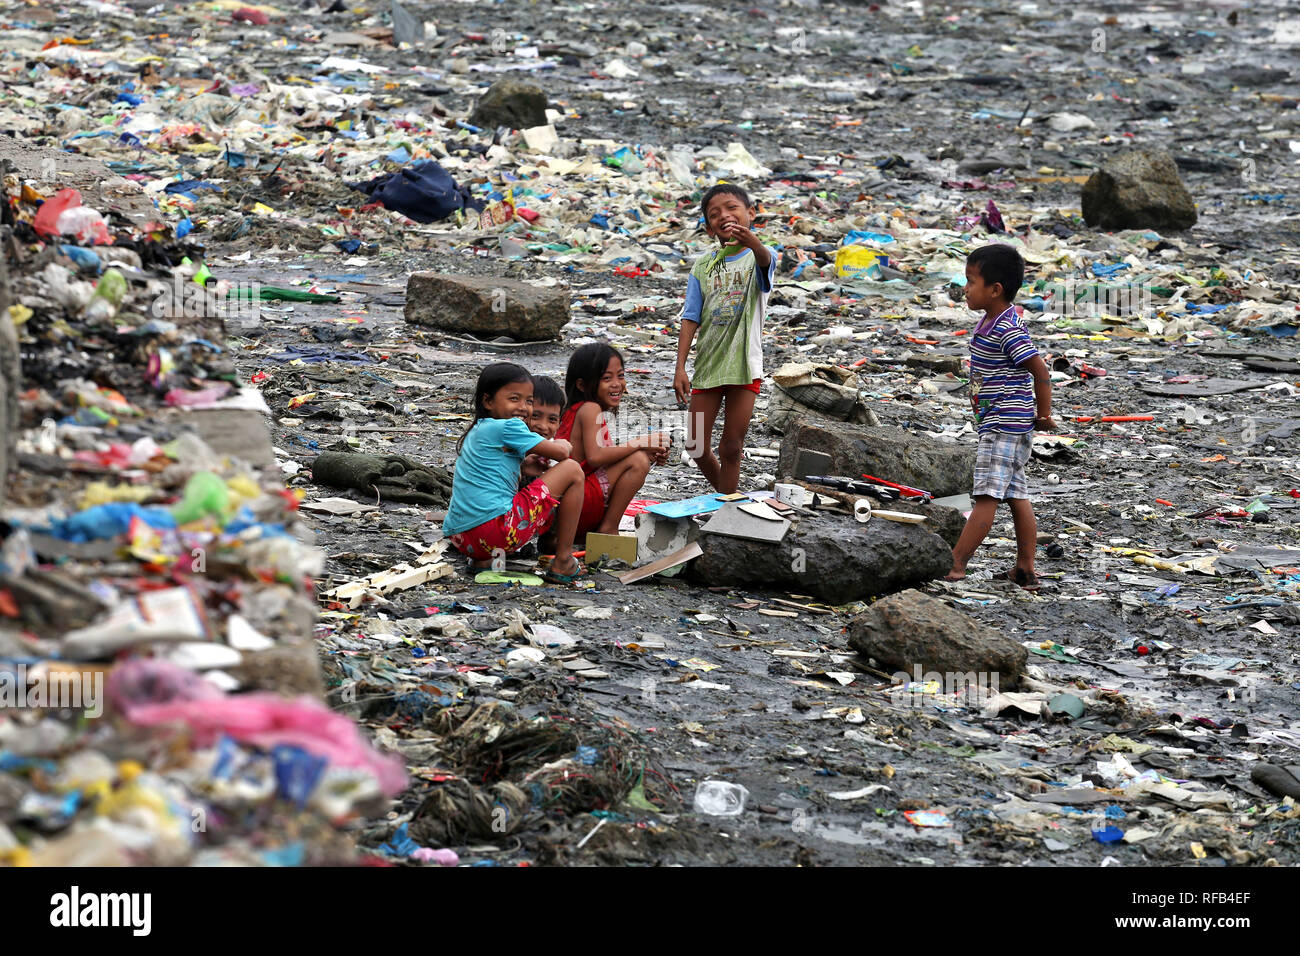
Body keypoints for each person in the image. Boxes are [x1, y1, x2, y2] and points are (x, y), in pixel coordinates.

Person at [945, 244, 1057, 590]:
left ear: (995, 289)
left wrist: (1045, 413)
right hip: (1005, 421)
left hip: (1004, 423)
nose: (965, 288)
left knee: (987, 496)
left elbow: (1040, 369)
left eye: (971, 281)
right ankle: (1025, 568)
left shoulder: (1007, 328)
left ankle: (956, 563)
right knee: (1016, 495)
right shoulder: (990, 321)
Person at [442, 363, 588, 584]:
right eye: (514, 399)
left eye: (528, 401)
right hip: (494, 532)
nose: (523, 407)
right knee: (573, 470)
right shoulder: (509, 426)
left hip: (463, 538)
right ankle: (564, 561)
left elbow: (496, 472)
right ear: (488, 401)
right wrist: (564, 444)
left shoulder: (479, 429)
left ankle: (483, 561)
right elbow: (561, 453)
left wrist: (525, 465)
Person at [673, 183, 776, 494]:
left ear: (751, 214)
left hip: (744, 363)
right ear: (708, 227)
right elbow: (691, 316)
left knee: (731, 446)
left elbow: (763, 260)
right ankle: (729, 498)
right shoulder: (703, 265)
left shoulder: (761, 255)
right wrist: (680, 367)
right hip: (709, 363)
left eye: (732, 208)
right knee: (694, 444)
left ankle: (727, 511)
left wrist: (752, 241)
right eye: (715, 214)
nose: (725, 216)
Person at [557, 343, 668, 540]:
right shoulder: (590, 409)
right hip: (577, 501)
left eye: (621, 375)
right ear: (582, 385)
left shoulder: (577, 408)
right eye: (607, 378)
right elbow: (595, 457)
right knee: (638, 461)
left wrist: (645, 450)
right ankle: (608, 528)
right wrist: (640, 443)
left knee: (640, 457)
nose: (617, 384)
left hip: (568, 505)